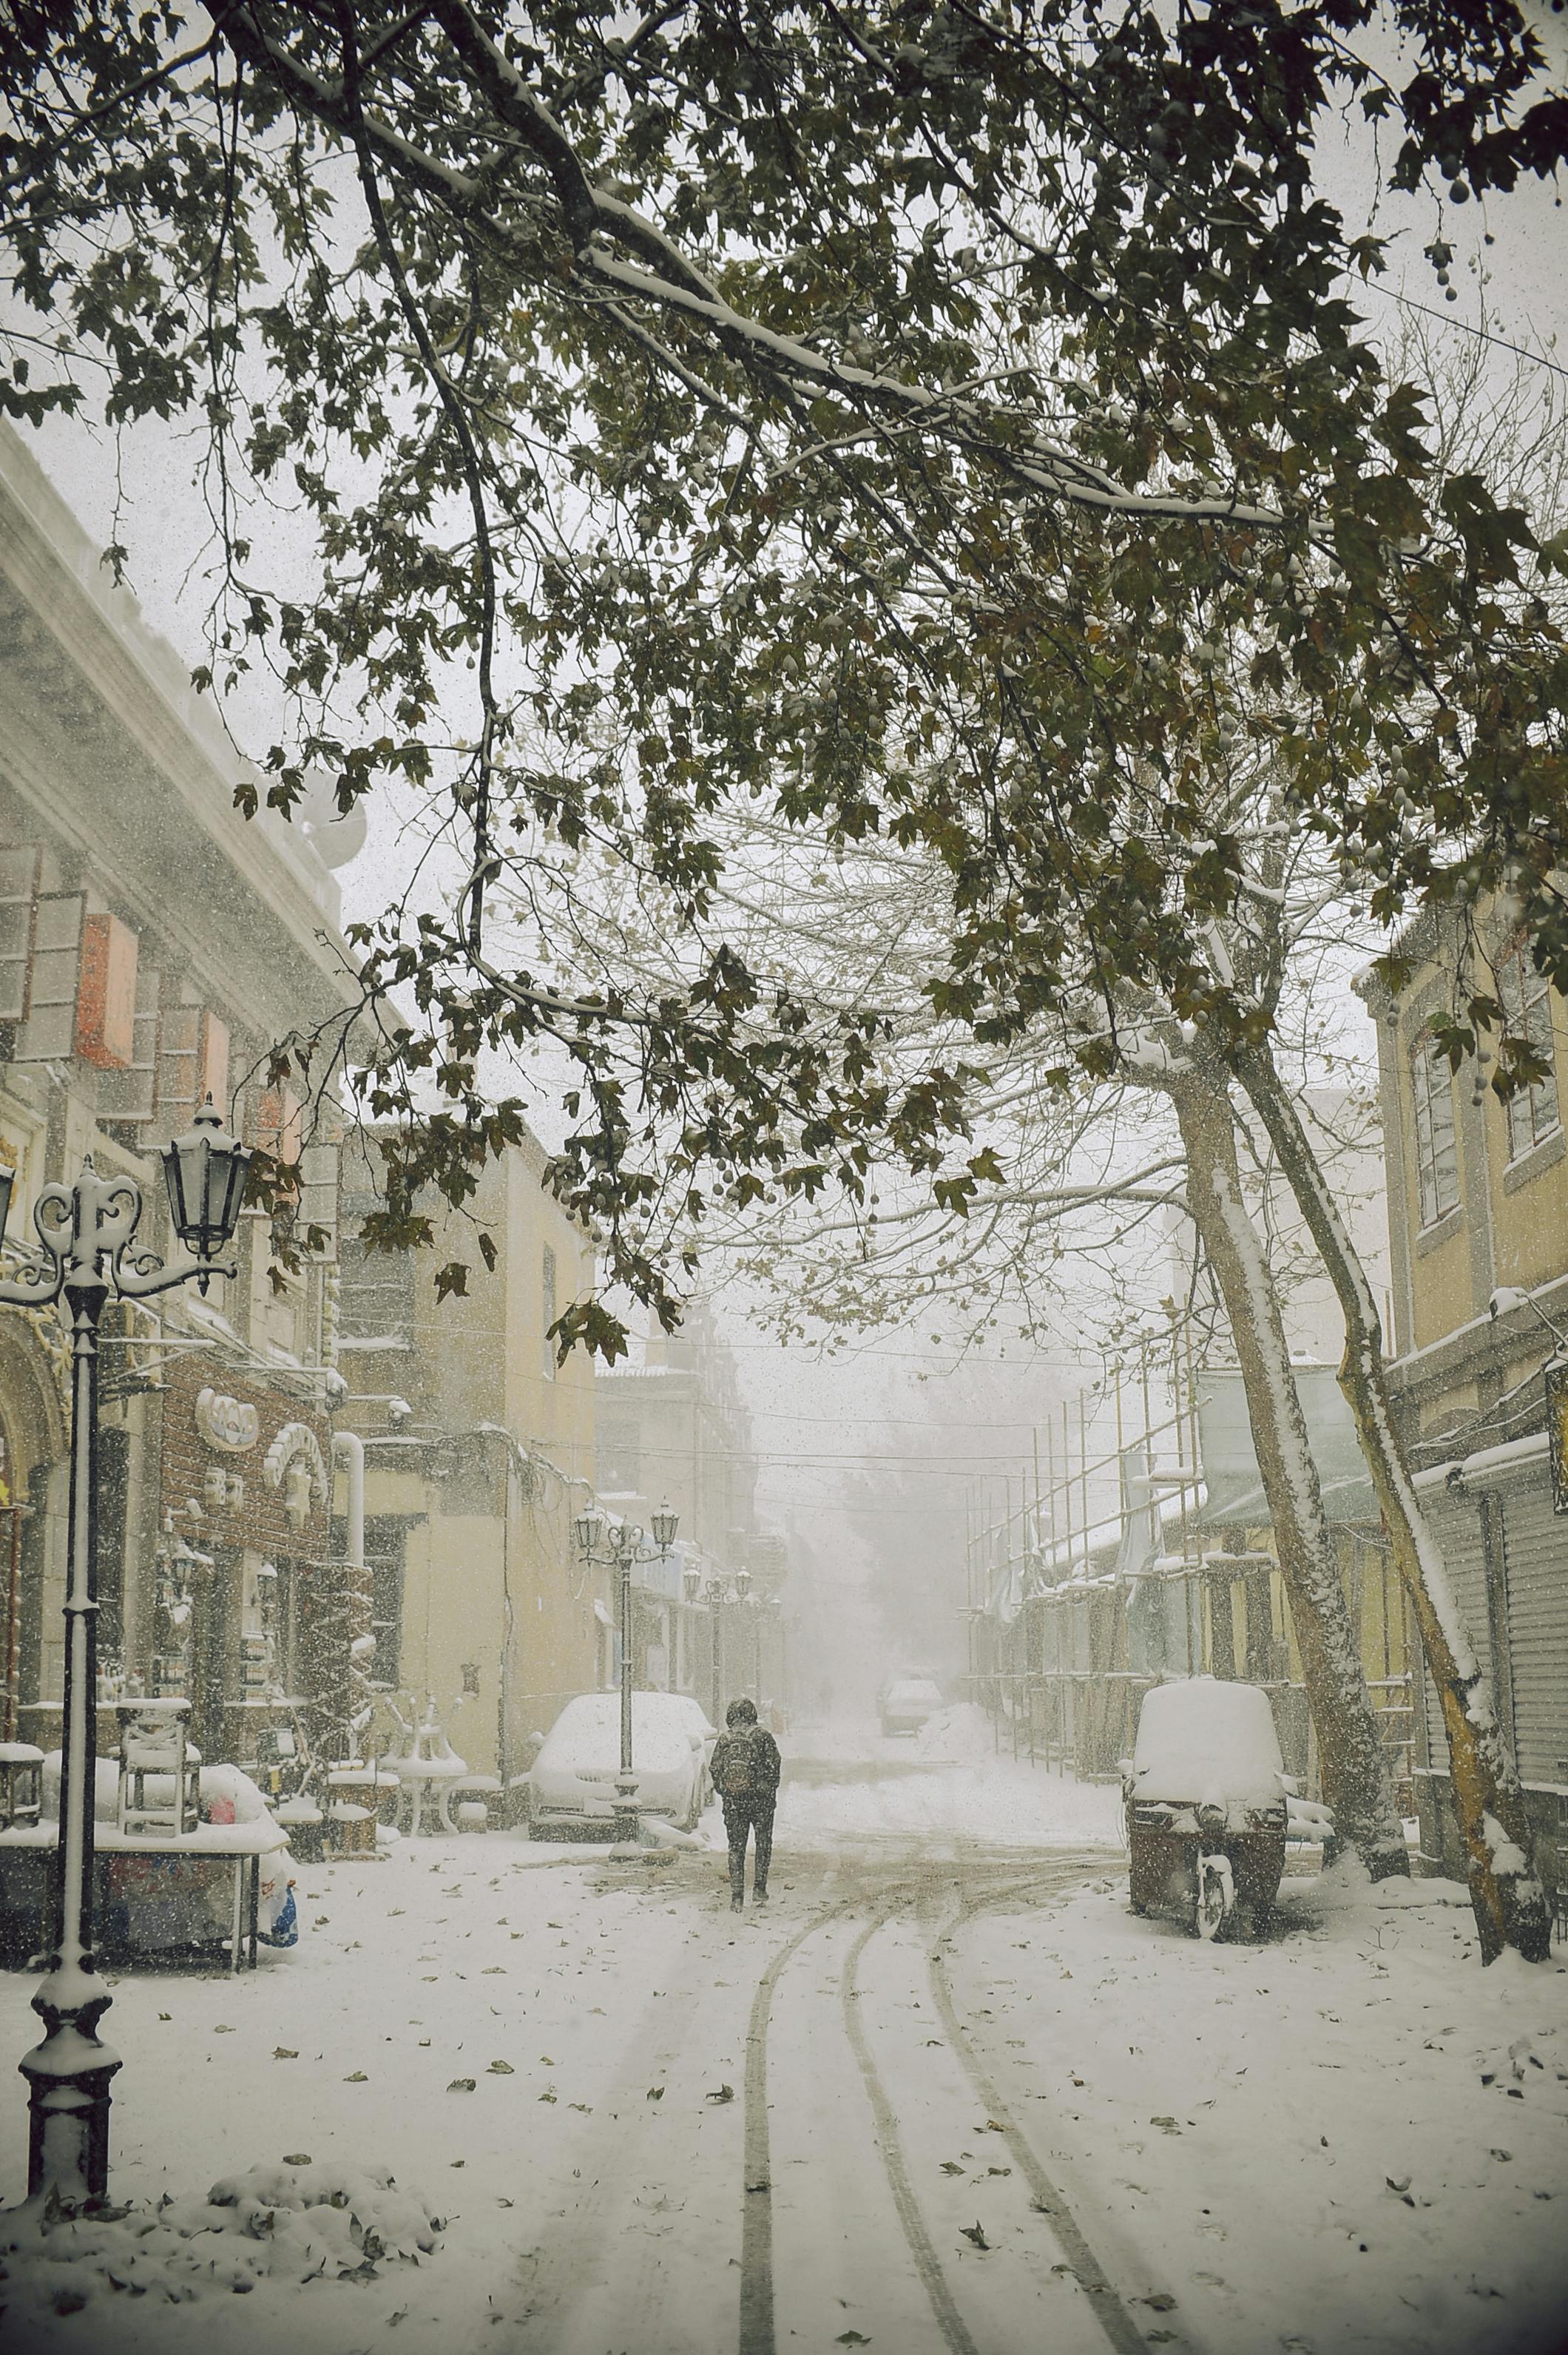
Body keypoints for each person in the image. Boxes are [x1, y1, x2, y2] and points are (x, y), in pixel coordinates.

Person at [709, 1697, 782, 1912]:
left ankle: (737, 1895)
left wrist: (728, 1791)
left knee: (736, 1847)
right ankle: (759, 1888)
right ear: (753, 1715)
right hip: (761, 1802)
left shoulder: (725, 1739)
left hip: (735, 1803)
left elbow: (715, 1769)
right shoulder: (763, 1736)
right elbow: (775, 1766)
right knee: (763, 1844)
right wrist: (766, 1789)